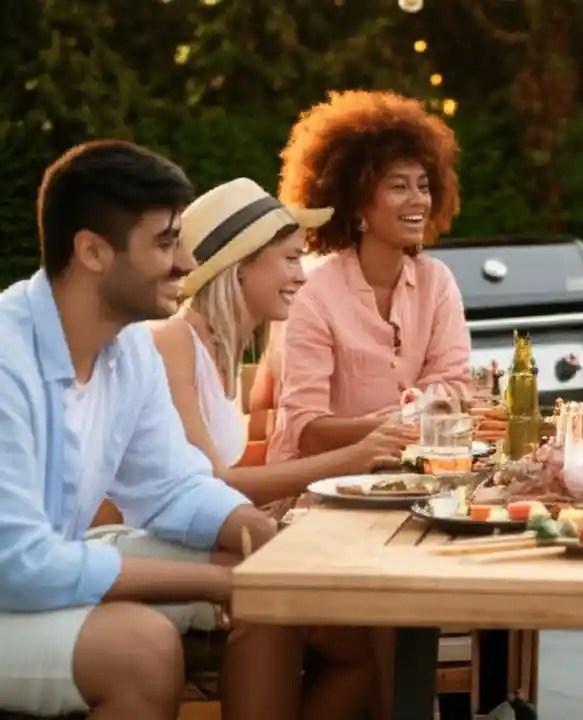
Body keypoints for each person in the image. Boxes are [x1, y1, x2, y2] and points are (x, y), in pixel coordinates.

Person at [0, 140, 299, 719]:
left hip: (36, 578)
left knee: (266, 582)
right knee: (143, 650)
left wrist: (249, 527)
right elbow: (19, 564)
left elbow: (173, 486)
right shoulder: (6, 359)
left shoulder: (128, 346)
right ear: (92, 252)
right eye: (166, 243)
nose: (187, 263)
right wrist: (214, 585)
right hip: (11, 587)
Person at [151, 177, 417, 508]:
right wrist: (355, 456)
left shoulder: (221, 352)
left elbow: (228, 466)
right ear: (240, 268)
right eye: (291, 258)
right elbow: (210, 483)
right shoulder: (174, 341)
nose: (302, 275)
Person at [266, 89, 470, 464]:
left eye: (423, 186)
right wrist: (406, 422)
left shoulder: (436, 282)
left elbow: (453, 384)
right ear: (357, 203)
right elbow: (306, 431)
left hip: (413, 475)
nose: (418, 200)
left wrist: (416, 420)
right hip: (320, 489)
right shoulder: (312, 294)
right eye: (398, 186)